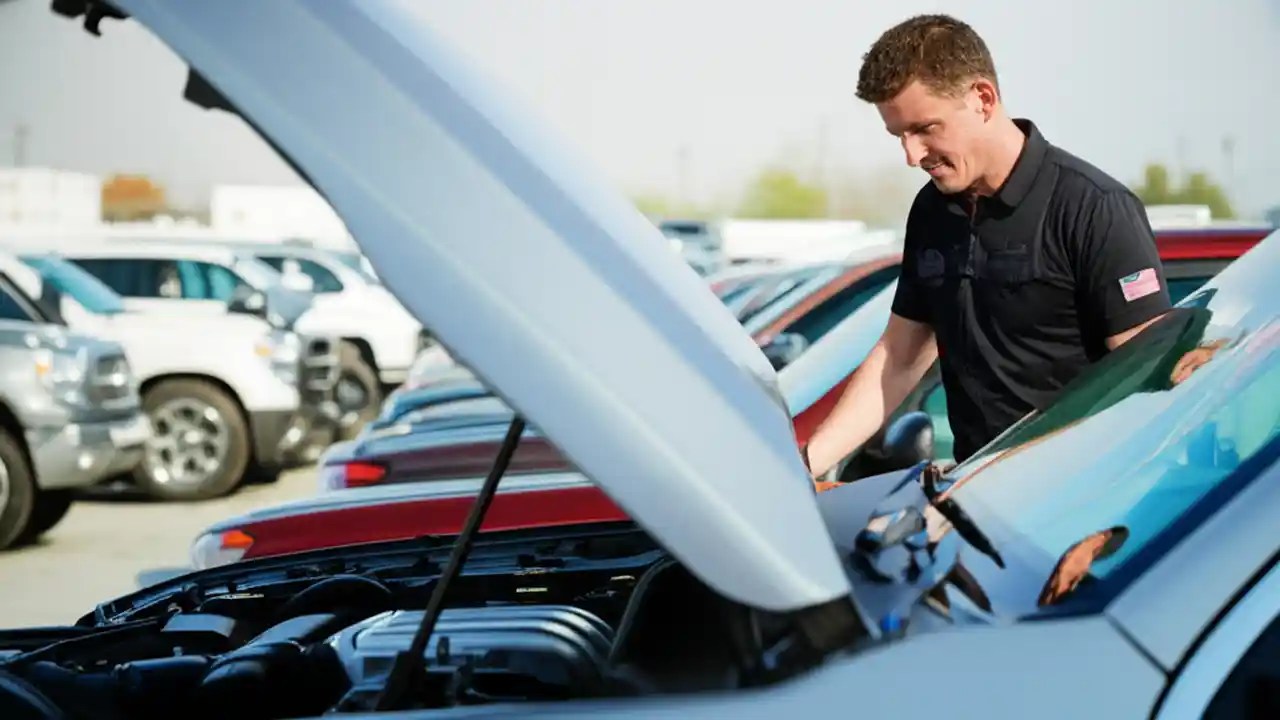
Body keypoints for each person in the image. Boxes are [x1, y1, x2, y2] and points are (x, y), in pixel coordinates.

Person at [802, 14, 1172, 478]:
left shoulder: (1094, 208)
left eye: (925, 129)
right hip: (977, 501)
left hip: (1083, 508)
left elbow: (1149, 381)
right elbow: (899, 356)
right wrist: (805, 467)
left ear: (982, 99)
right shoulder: (932, 211)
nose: (912, 156)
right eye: (899, 136)